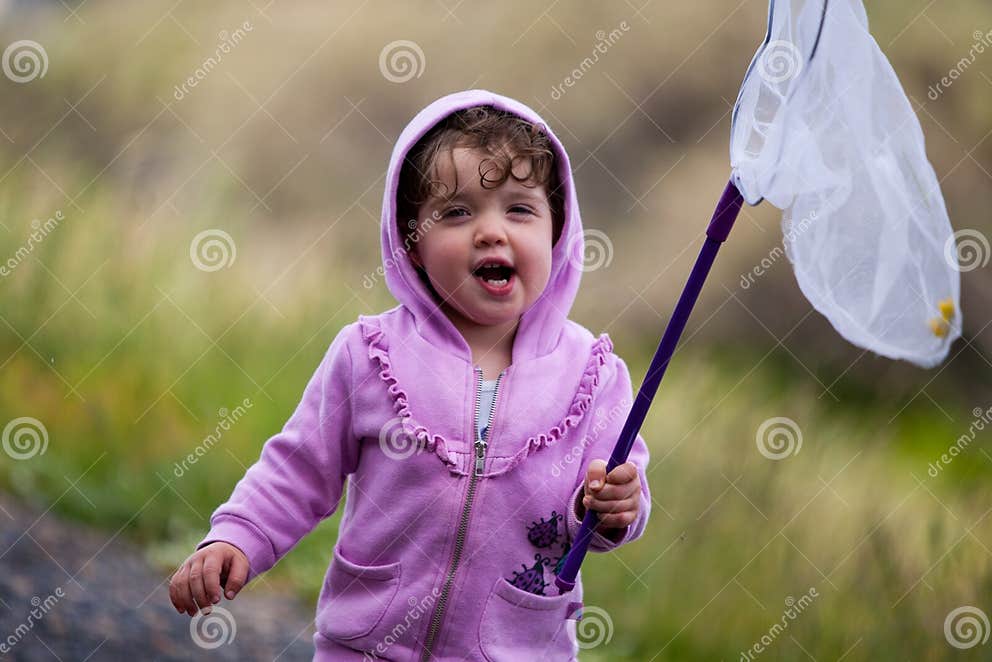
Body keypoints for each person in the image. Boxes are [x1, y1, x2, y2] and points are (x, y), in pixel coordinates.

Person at [169, 89, 652, 661]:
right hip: (370, 646)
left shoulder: (592, 378)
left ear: (557, 232)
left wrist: (615, 506)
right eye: (456, 212)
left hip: (516, 647)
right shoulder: (371, 354)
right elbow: (297, 468)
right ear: (412, 242)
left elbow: (606, 514)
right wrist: (238, 536)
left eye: (520, 209)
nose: (491, 231)